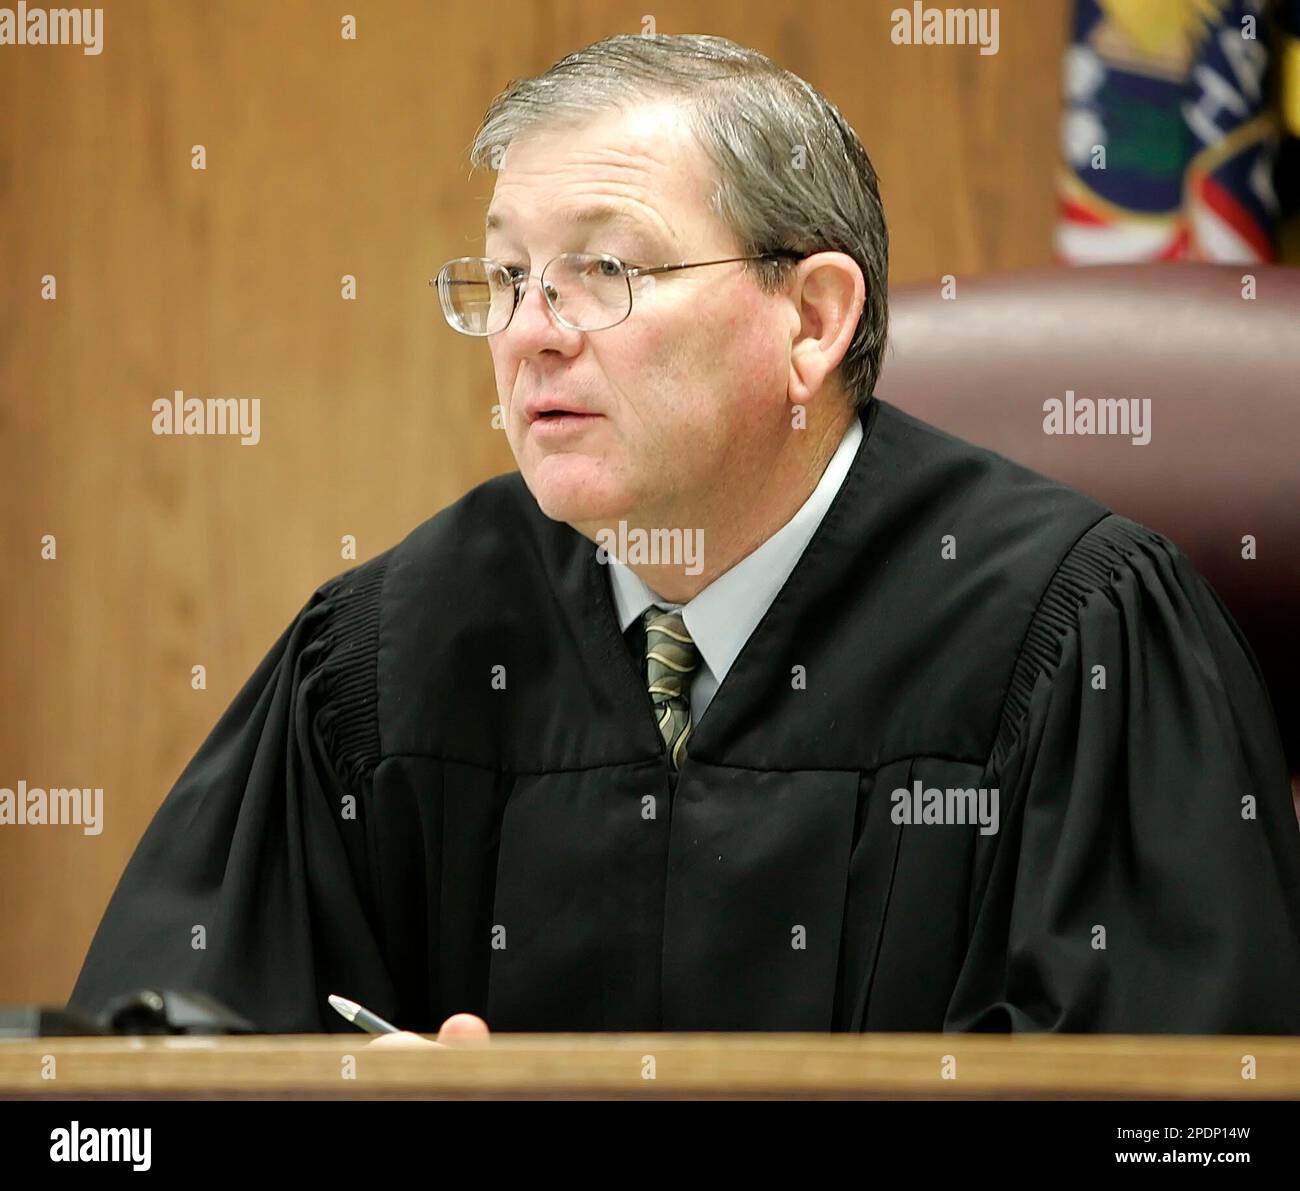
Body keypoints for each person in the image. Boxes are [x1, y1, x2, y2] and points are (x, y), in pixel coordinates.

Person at [71, 33, 1300, 1040]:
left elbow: (1179, 1124)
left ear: (811, 320)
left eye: (603, 270)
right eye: (506, 278)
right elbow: (151, 1086)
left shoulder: (1077, 640)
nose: (531, 332)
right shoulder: (385, 657)